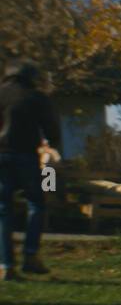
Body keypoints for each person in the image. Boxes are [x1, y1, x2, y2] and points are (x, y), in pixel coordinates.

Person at [0, 59, 61, 281]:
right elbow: (52, 130)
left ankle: (5, 265)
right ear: (30, 77)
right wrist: (51, 150)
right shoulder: (37, 98)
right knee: (36, 204)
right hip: (26, 156)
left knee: (3, 210)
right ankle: (30, 256)